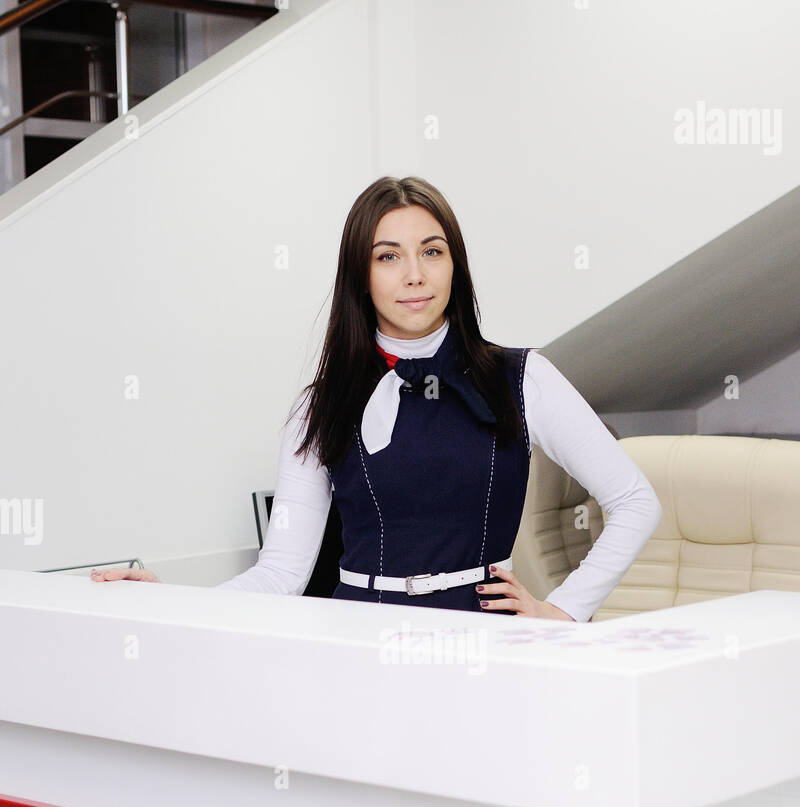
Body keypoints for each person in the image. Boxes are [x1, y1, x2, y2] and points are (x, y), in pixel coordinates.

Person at [92, 175, 662, 620]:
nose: (414, 274)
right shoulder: (319, 404)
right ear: (361, 276)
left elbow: (636, 501)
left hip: (484, 634)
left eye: (432, 251)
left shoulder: (523, 377)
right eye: (388, 256)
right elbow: (283, 572)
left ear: (454, 264)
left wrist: (562, 611)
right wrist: (178, 603)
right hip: (356, 634)